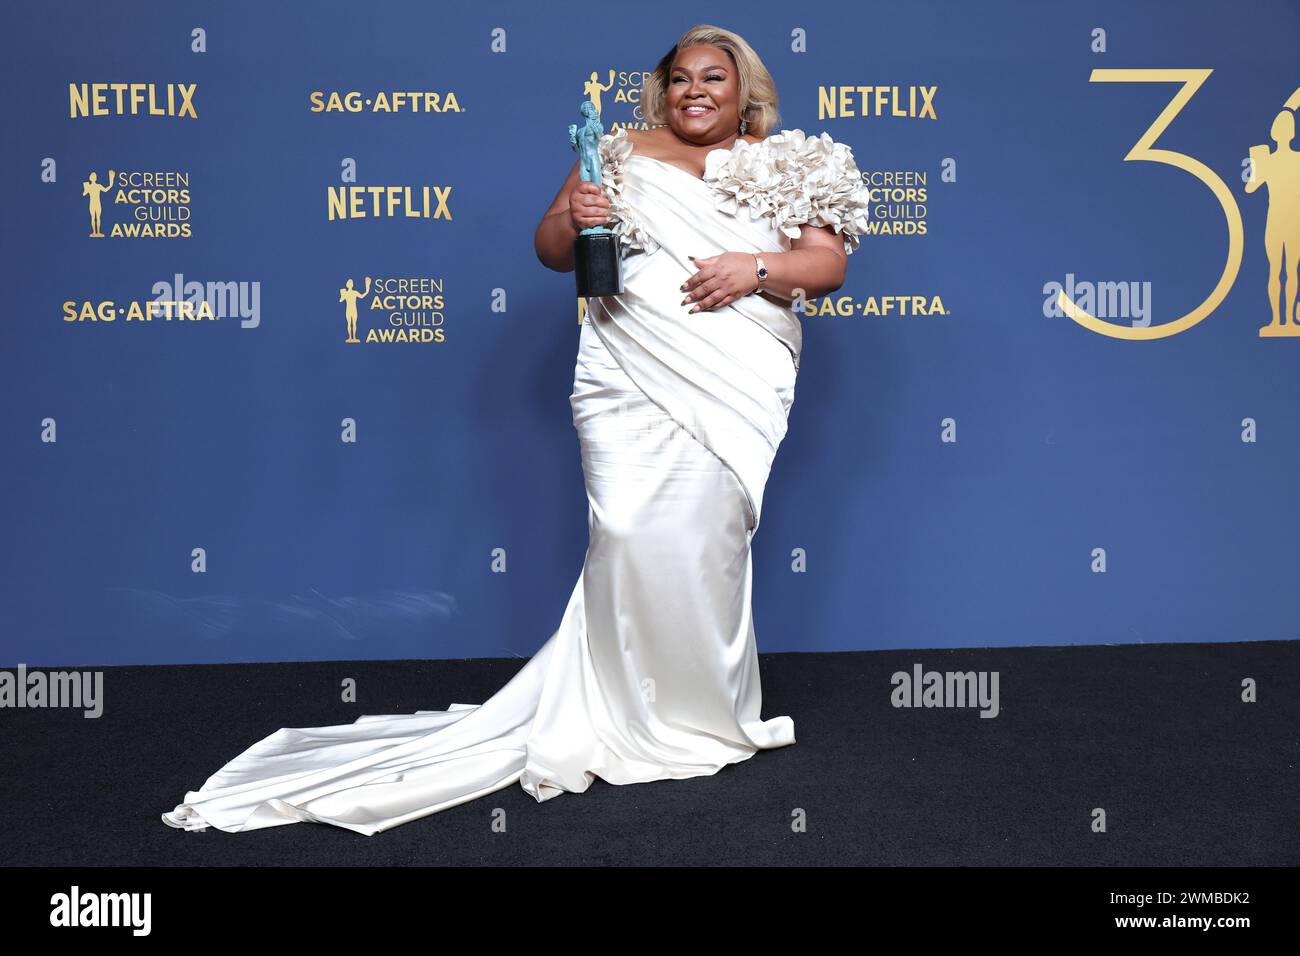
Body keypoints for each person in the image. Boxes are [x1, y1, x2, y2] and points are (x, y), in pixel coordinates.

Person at [160, 24, 869, 836]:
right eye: (679, 78)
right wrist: (575, 212)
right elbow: (549, 250)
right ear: (661, 90)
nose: (695, 90)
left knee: (709, 540)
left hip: (735, 371)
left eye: (715, 76)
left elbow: (829, 265)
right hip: (627, 371)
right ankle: (621, 711)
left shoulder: (794, 159)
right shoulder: (616, 149)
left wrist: (756, 266)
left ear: (747, 91)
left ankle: (706, 710)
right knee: (630, 532)